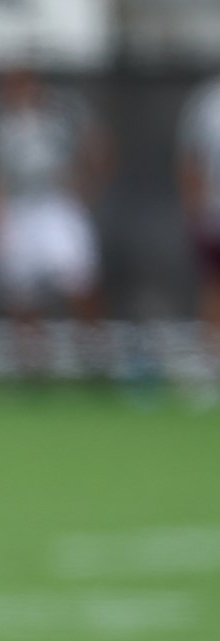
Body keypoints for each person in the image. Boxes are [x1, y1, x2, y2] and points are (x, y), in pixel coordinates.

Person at [0, 68, 115, 380]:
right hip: (12, 206)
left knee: (79, 279)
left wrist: (86, 186)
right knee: (20, 292)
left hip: (56, 203)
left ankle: (94, 358)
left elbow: (100, 146)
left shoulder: (64, 109)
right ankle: (32, 365)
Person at [177, 73, 220, 405]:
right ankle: (209, 369)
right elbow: (190, 159)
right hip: (215, 211)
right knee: (214, 287)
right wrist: (195, 208)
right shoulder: (207, 103)